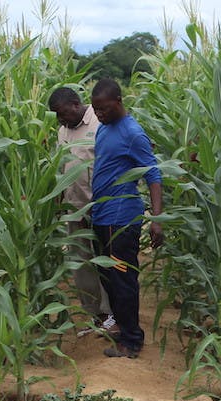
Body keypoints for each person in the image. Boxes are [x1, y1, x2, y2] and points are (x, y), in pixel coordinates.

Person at [89, 78, 163, 359]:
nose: (99, 114)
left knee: (123, 279)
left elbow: (153, 175)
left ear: (118, 102)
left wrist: (157, 219)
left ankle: (132, 341)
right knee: (108, 276)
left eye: (104, 109)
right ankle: (122, 326)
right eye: (95, 109)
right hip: (102, 215)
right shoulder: (104, 129)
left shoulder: (133, 133)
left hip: (121, 220)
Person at [47, 87, 115, 338]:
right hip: (74, 210)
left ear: (76, 105)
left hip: (100, 209)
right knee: (82, 267)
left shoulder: (100, 124)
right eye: (57, 116)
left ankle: (112, 315)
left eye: (63, 113)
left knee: (106, 264)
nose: (60, 120)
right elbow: (62, 170)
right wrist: (58, 205)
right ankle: (97, 316)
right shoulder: (63, 130)